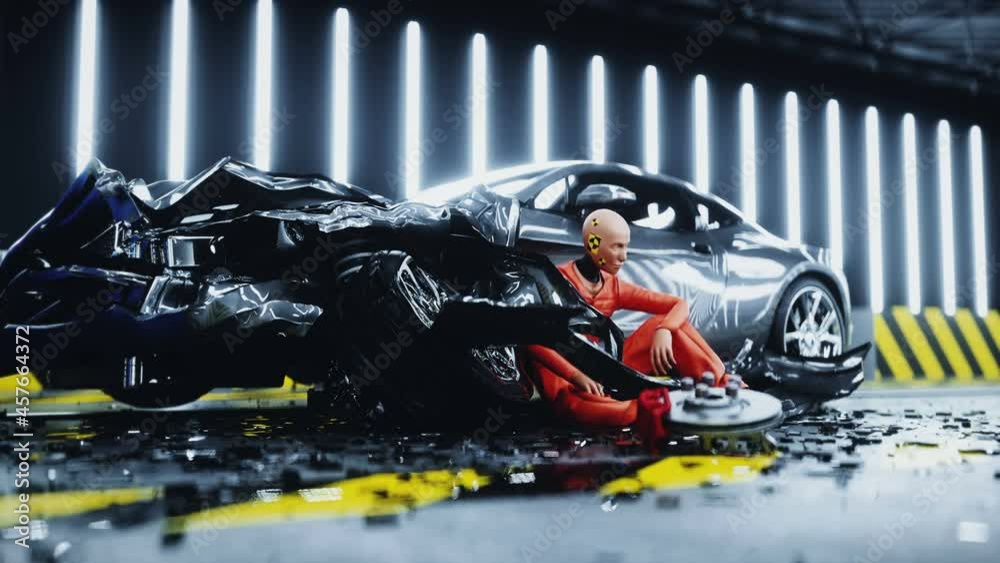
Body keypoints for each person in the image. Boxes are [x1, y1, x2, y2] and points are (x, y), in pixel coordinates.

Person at [522, 208, 734, 428]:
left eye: (626, 246)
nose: (624, 256)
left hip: (604, 369)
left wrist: (665, 329)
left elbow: (677, 304)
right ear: (593, 244)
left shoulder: (612, 286)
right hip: (565, 383)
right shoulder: (555, 283)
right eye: (617, 247)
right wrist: (575, 375)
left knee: (668, 327)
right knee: (630, 414)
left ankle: (720, 386)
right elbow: (533, 340)